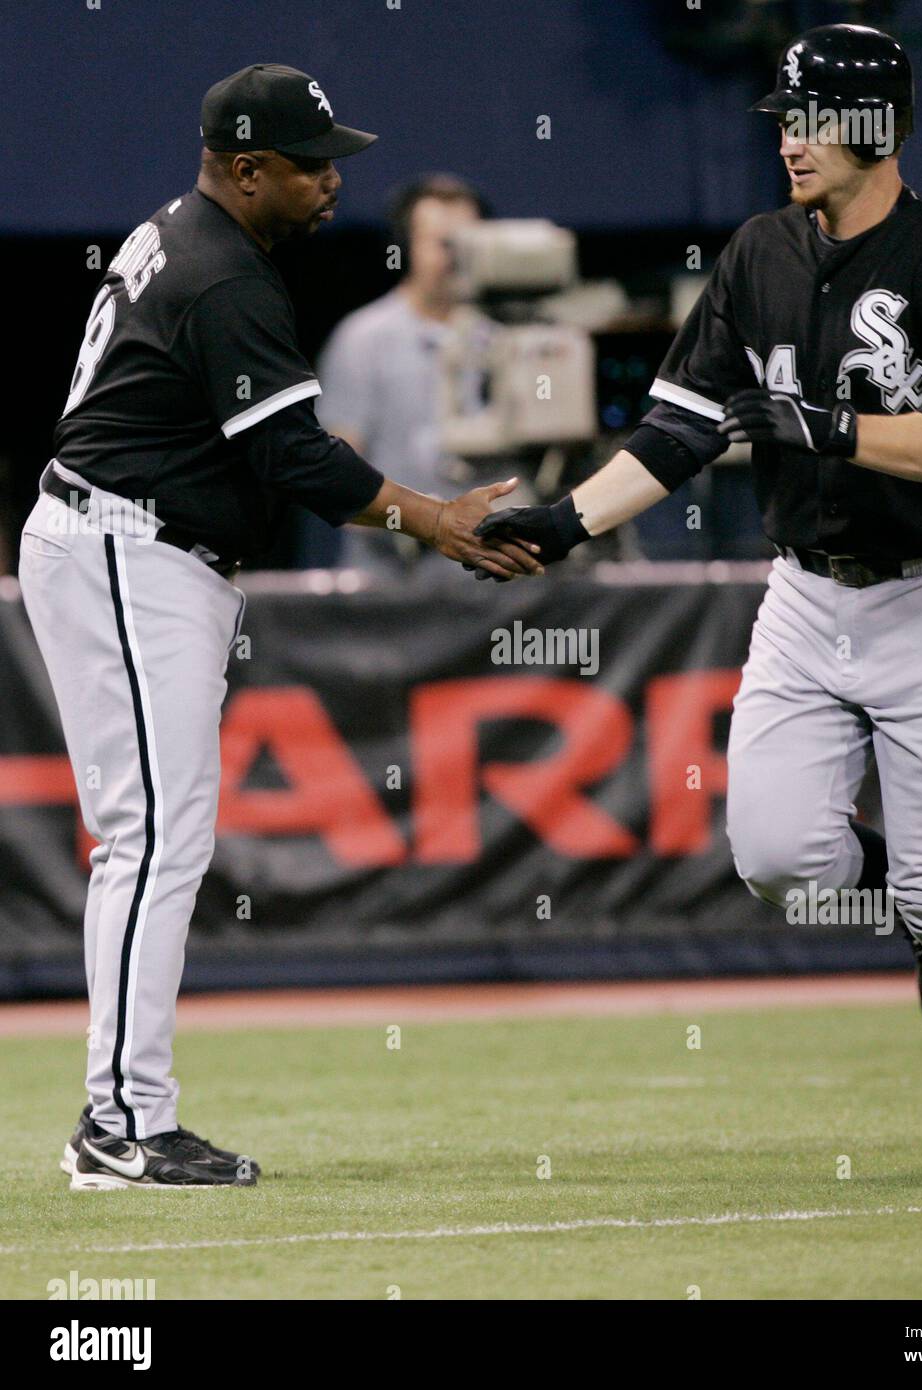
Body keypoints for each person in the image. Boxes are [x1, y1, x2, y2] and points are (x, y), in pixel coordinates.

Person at [476, 25, 922, 1173]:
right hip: (806, 593)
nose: (788, 139)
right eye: (782, 118)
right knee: (780, 855)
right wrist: (569, 520)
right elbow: (683, 422)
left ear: (875, 126)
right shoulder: (757, 252)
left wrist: (835, 430)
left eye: (813, 118)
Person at [20, 62, 541, 1191]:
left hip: (127, 544)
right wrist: (434, 518)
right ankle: (120, 1125)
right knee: (152, 837)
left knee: (153, 836)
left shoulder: (185, 234)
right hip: (124, 545)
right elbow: (296, 457)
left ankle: (125, 1115)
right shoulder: (219, 272)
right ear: (244, 167)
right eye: (309, 164)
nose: (332, 181)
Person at [309, 173, 490, 576]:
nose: (456, 256)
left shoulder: (508, 337)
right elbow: (334, 477)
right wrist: (427, 522)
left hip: (489, 576)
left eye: (469, 242)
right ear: (408, 246)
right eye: (443, 243)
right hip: (388, 577)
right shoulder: (362, 339)